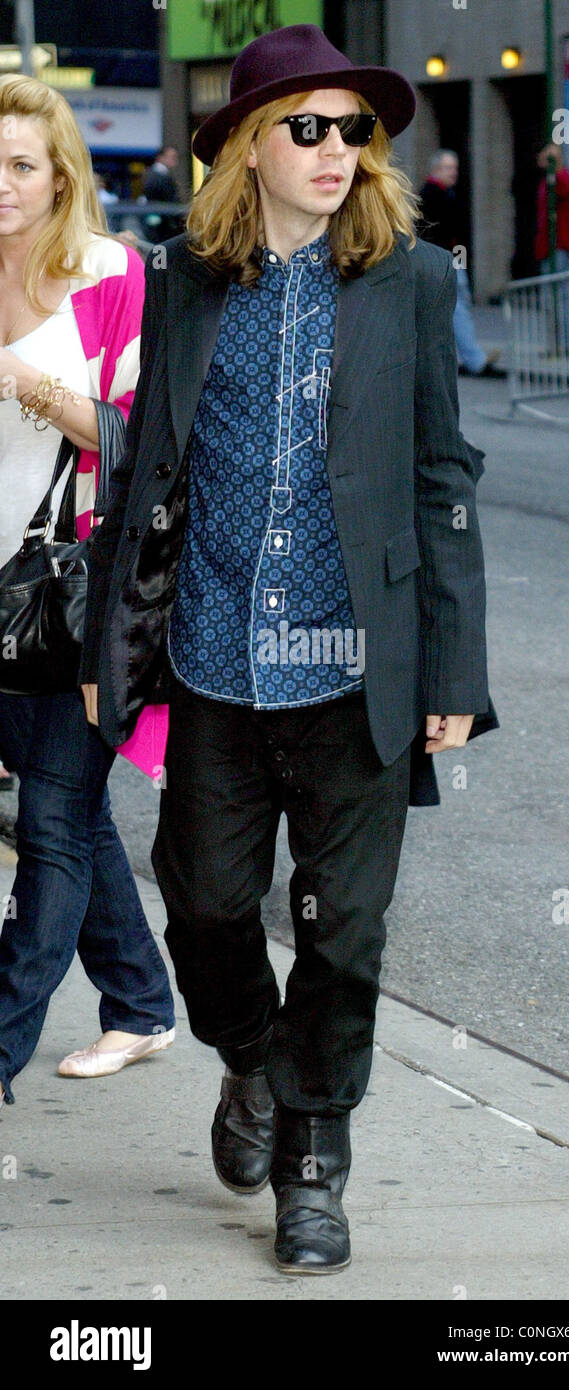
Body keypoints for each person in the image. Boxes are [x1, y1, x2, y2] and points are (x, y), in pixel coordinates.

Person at [80, 24, 499, 1274]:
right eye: (305, 127)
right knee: (207, 904)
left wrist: (454, 670)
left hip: (356, 670)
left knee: (343, 932)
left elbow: (442, 479)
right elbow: (141, 471)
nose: (333, 149)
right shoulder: (184, 279)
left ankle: (313, 1160)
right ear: (247, 149)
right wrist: (109, 644)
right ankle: (254, 1060)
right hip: (213, 659)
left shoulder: (408, 283)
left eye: (351, 129)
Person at [0, 74, 175, 1108]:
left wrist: (36, 388)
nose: (3, 184)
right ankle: (143, 1003)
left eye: (21, 165)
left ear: (61, 175)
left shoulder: (111, 275)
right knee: (71, 812)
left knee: (53, 823)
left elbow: (147, 443)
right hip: (0, 605)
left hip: (81, 593)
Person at [419, 149, 506, 378]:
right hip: (445, 262)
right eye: (449, 168)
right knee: (458, 310)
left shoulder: (446, 194)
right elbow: (438, 235)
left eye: (455, 168)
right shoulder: (432, 195)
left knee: (454, 311)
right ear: (436, 169)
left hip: (451, 260)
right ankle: (474, 360)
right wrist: (455, 262)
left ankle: (463, 358)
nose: (454, 172)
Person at [534, 143, 569, 274]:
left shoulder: (565, 179)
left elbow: (564, 188)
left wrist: (554, 163)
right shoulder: (547, 181)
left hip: (561, 244)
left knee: (557, 282)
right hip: (547, 245)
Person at [140, 146, 182, 241]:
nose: (175, 160)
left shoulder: (157, 174)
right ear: (160, 158)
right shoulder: (157, 175)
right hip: (161, 220)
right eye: (172, 157)